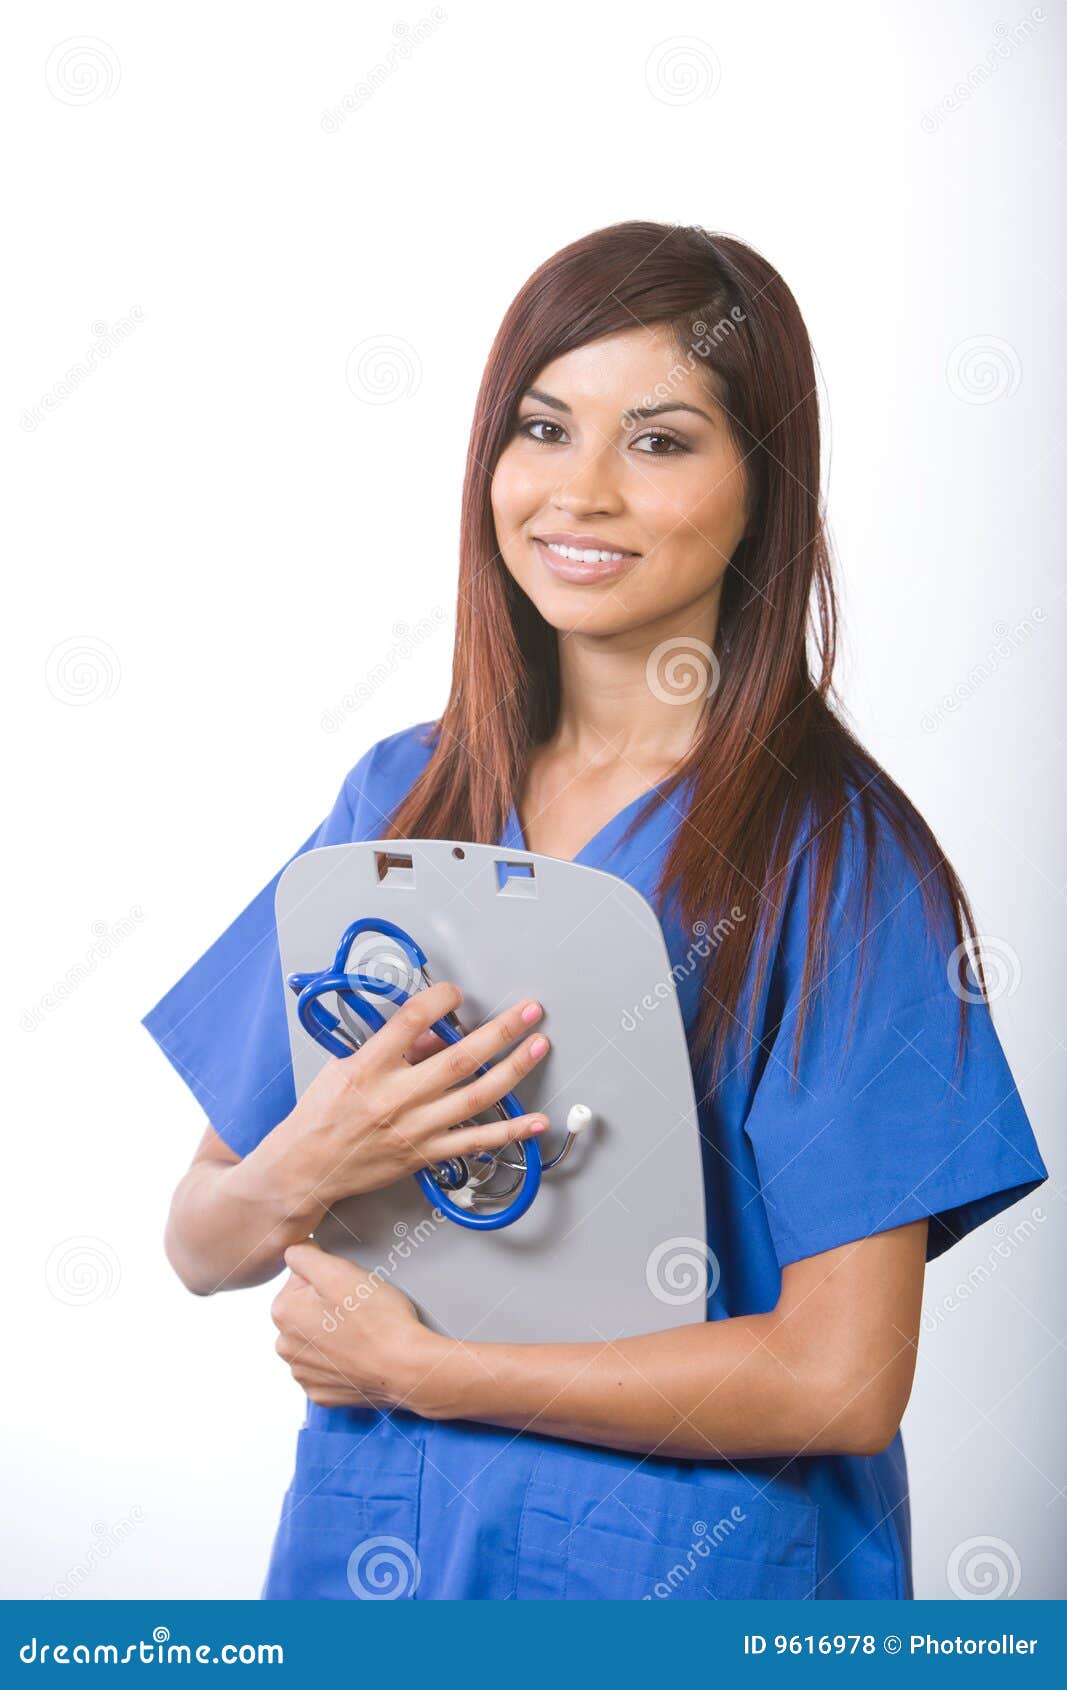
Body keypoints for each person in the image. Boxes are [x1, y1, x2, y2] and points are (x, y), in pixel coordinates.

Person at [142, 222, 1047, 1600]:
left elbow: (845, 1376)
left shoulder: (836, 863)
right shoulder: (400, 799)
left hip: (682, 1587)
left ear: (767, 487)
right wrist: (304, 1163)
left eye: (663, 440)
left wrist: (428, 1372)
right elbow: (203, 1237)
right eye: (545, 427)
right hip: (380, 1562)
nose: (583, 492)